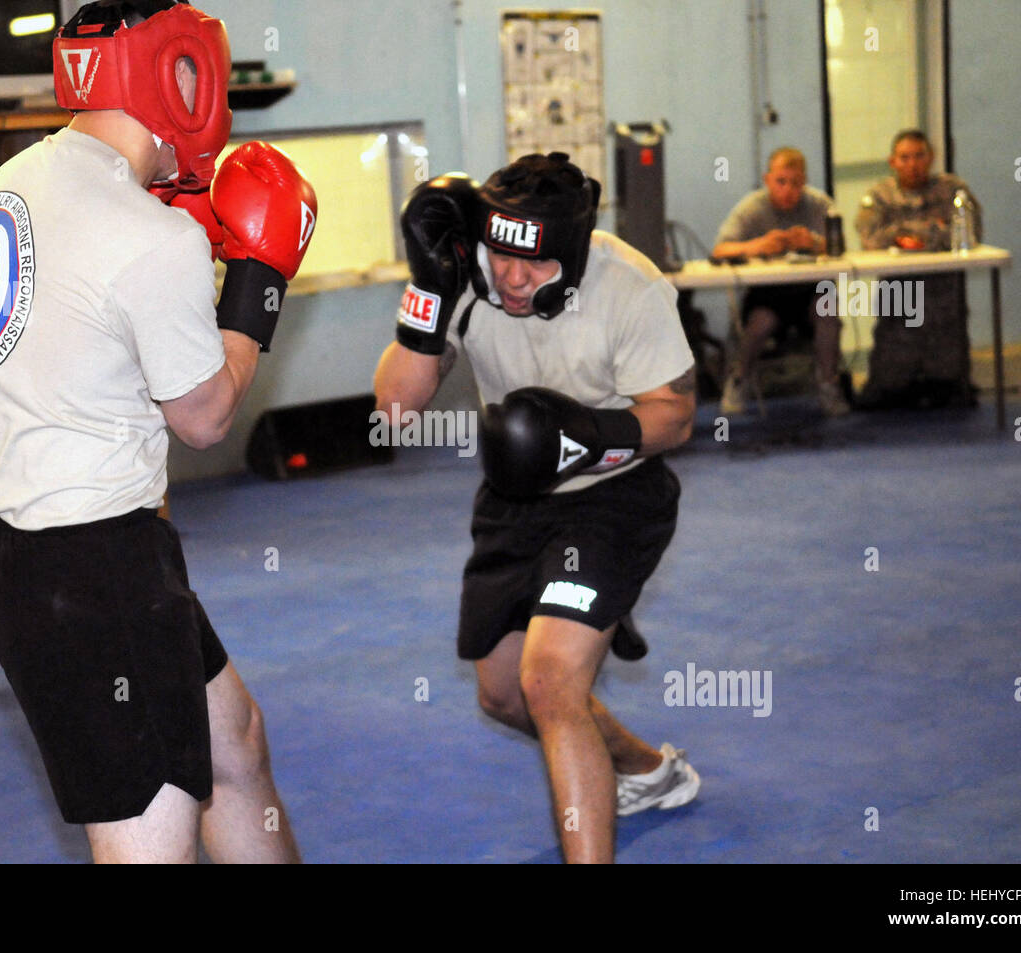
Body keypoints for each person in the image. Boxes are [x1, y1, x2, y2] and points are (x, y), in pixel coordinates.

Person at [0, 0, 314, 863]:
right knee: (150, 847)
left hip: (16, 553)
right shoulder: (145, 235)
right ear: (181, 75)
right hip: (96, 574)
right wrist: (257, 281)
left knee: (237, 746)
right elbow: (203, 415)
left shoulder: (6, 190)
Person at [375, 152, 700, 864]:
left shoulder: (631, 286)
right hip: (514, 496)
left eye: (538, 266)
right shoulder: (468, 274)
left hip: (614, 495)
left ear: (574, 252)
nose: (514, 280)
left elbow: (675, 416)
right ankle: (645, 767)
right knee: (505, 694)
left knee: (550, 679)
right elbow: (396, 409)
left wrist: (590, 434)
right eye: (503, 258)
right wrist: (430, 290)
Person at [713, 147, 849, 416]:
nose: (789, 190)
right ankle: (739, 378)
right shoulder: (752, 207)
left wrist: (815, 243)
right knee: (760, 322)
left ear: (805, 182)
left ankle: (828, 384)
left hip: (810, 290)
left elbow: (840, 247)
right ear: (767, 180)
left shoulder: (819, 204)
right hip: (769, 294)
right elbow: (720, 250)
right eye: (781, 182)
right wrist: (758, 245)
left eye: (796, 183)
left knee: (828, 313)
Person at [855, 128, 981, 408]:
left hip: (942, 290)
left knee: (949, 375)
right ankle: (894, 386)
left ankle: (947, 385)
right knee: (890, 380)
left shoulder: (953, 191)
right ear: (892, 162)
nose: (912, 164)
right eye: (904, 157)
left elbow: (970, 233)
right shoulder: (880, 195)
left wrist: (910, 232)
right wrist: (930, 230)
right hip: (900, 288)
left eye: (919, 156)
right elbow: (870, 239)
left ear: (931, 158)